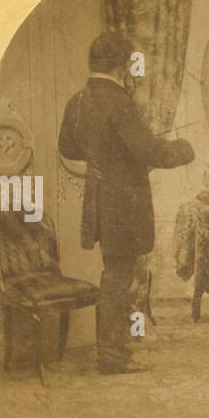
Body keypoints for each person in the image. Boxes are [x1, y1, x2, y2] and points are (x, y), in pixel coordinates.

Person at [58, 32, 195, 374]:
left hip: (99, 200)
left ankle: (113, 350)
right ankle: (111, 355)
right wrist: (185, 149)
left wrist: (102, 164)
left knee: (115, 272)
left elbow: (68, 151)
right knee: (119, 277)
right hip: (124, 203)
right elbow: (150, 152)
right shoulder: (119, 101)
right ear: (121, 65)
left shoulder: (76, 101)